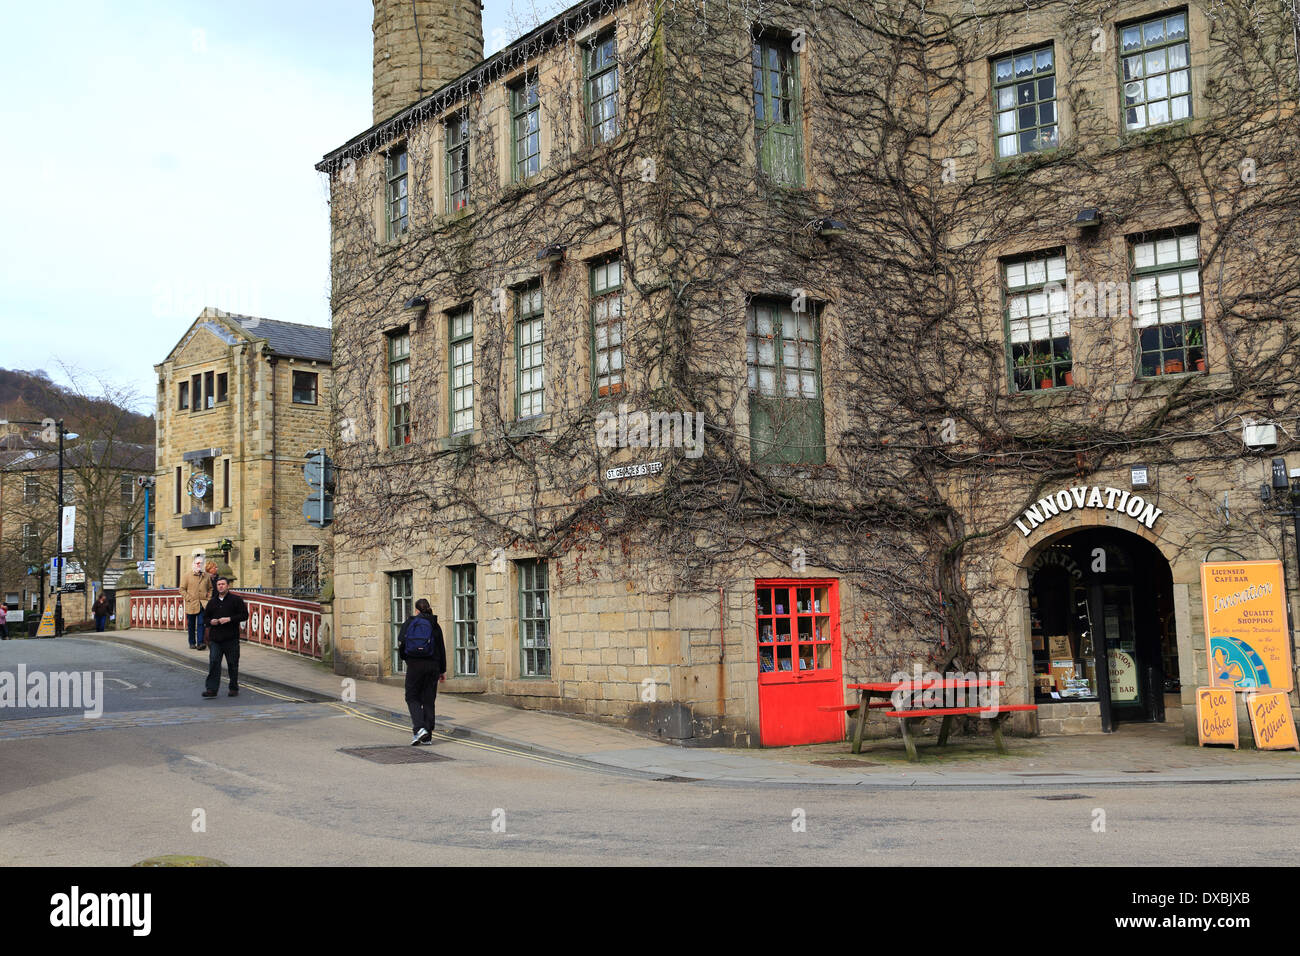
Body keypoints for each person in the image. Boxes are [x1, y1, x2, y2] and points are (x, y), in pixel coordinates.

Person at [396, 598, 446, 744]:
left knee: (412, 697)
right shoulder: (435, 625)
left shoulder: (410, 622)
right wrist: (442, 670)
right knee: (429, 699)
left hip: (415, 665)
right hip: (433, 666)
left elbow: (401, 641)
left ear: (417, 610)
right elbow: (441, 649)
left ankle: (419, 729)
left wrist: (406, 659)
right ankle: (428, 736)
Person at [201, 577, 248, 698]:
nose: (220, 586)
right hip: (216, 638)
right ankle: (211, 689)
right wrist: (211, 621)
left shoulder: (236, 600)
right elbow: (205, 618)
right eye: (218, 584)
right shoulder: (212, 602)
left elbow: (244, 615)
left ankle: (233, 688)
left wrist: (229, 619)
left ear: (228, 586)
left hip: (231, 638)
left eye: (223, 584)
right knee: (214, 663)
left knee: (232, 664)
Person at [179, 556, 212, 650]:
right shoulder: (187, 575)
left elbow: (211, 588)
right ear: (193, 564)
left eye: (201, 563)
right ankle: (192, 642)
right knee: (191, 624)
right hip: (191, 604)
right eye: (197, 563)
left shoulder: (206, 576)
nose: (199, 565)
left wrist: (208, 598)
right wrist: (189, 598)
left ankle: (200, 643)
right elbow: (181, 589)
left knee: (201, 623)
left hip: (203, 604)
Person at [196, 560, 219, 648]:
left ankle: (213, 640)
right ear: (209, 569)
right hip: (206, 603)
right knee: (205, 622)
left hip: (216, 602)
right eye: (214, 567)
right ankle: (205, 641)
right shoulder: (204, 578)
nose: (216, 569)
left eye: (216, 567)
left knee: (215, 621)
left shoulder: (218, 578)